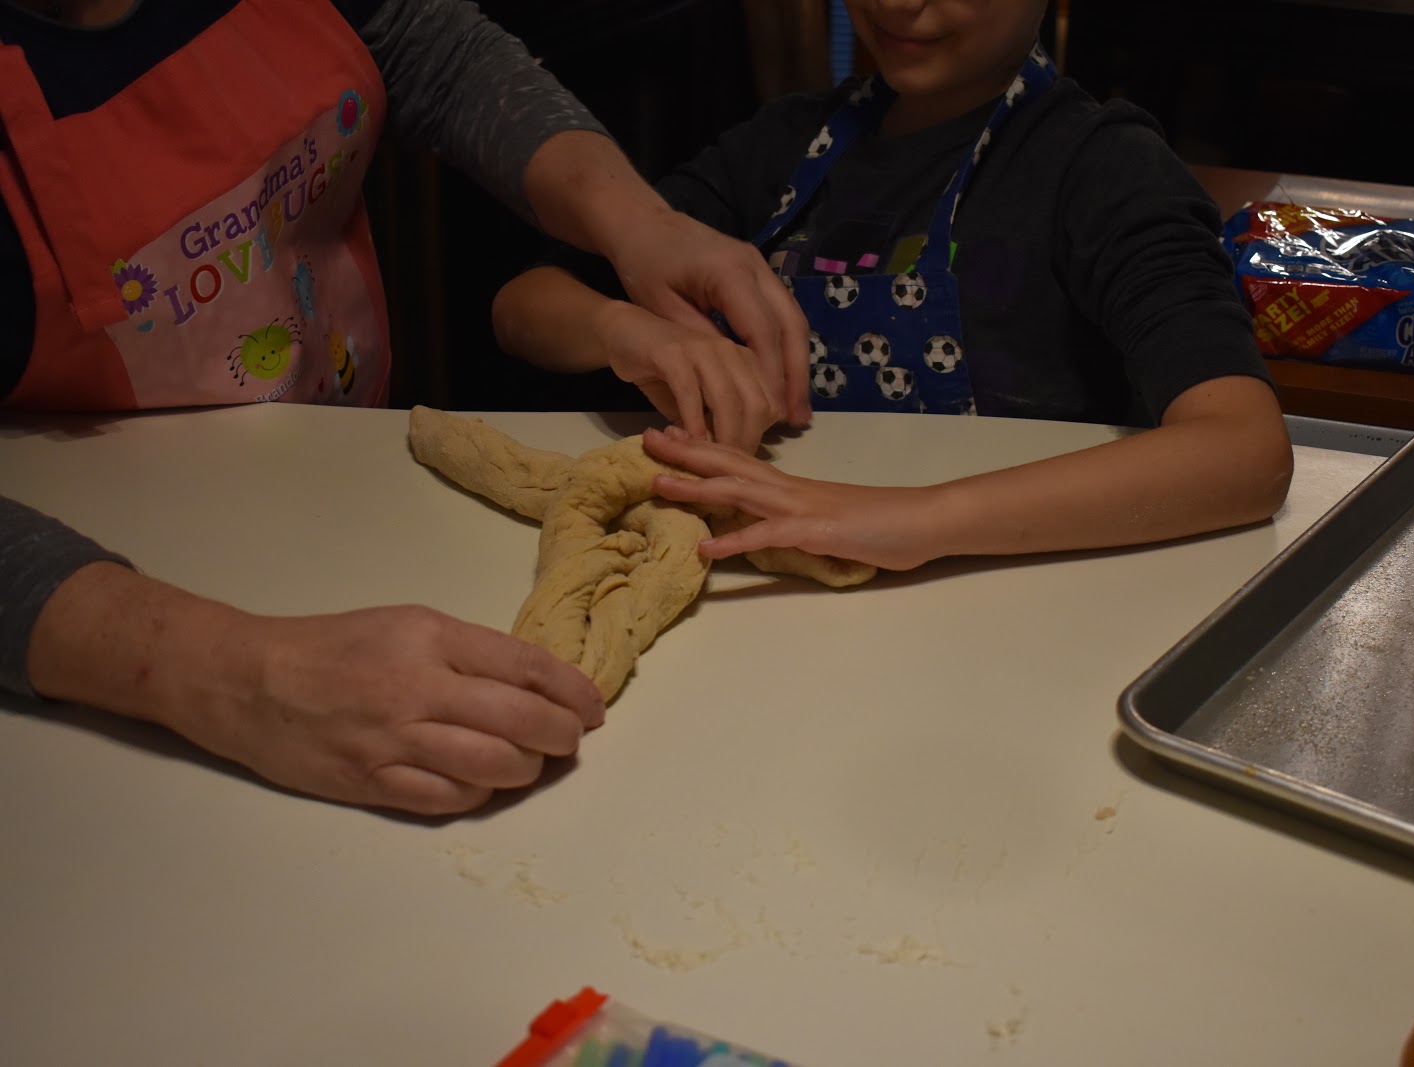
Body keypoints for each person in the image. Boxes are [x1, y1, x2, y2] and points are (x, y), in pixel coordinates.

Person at [0, 0, 813, 815]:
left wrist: (641, 224)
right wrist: (232, 678)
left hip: (355, 493)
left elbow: (428, 48)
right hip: (95, 584)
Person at [492, 0, 1295, 561]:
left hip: (1004, 602)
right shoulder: (779, 146)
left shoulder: (1102, 169)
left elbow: (1244, 452)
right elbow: (522, 306)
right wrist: (624, 330)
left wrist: (915, 519)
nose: (897, 3)